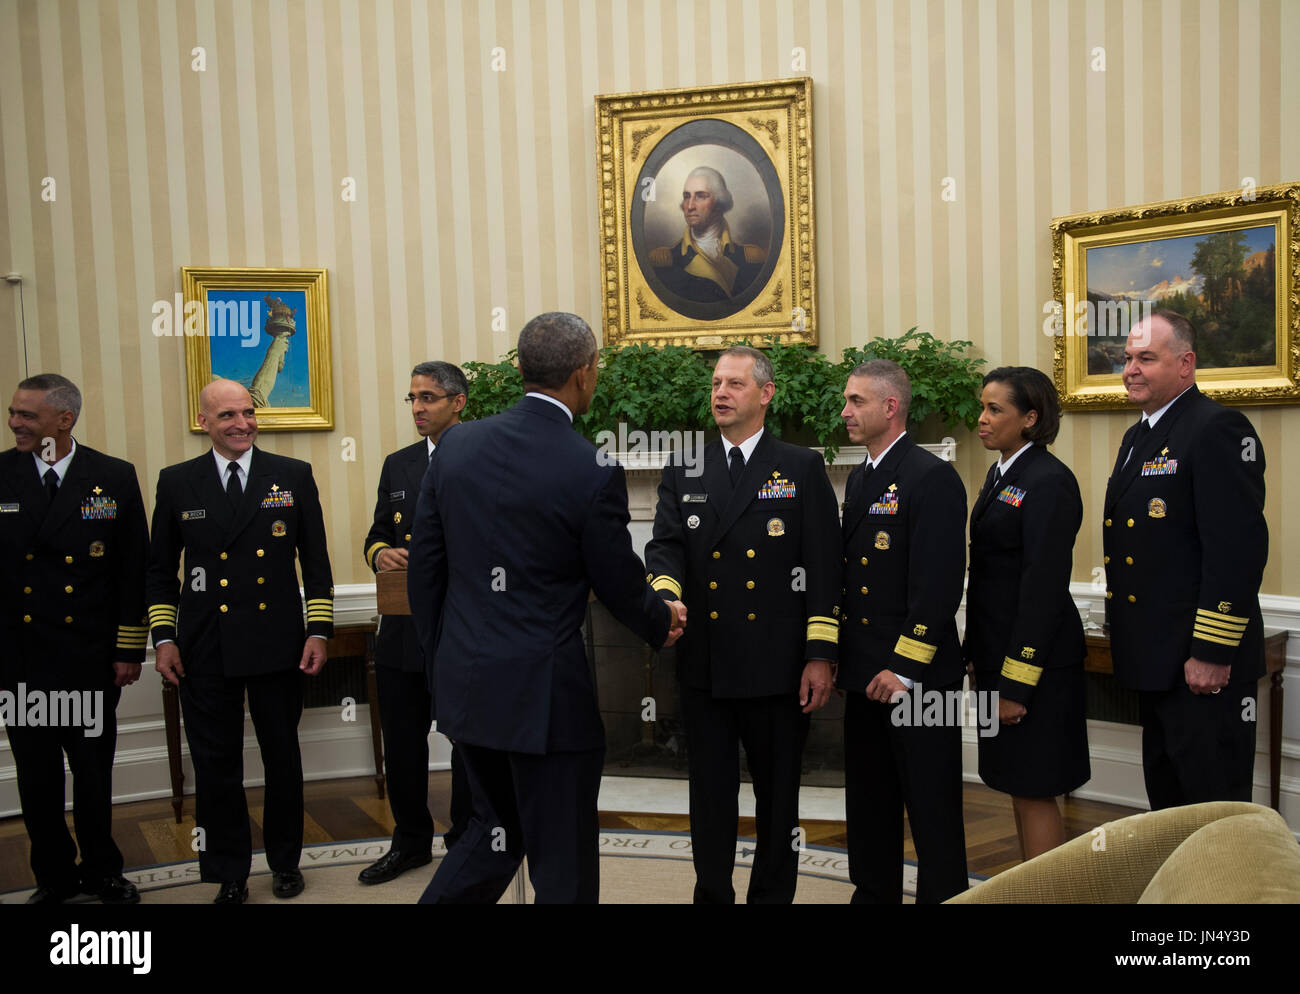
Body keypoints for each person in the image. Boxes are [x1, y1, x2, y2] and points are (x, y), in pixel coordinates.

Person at [407, 312, 685, 904]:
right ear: (584, 374)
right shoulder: (589, 467)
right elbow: (616, 582)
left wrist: (444, 663)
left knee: (493, 832)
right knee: (563, 858)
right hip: (546, 703)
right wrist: (662, 621)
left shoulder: (454, 447)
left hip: (468, 686)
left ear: (519, 370)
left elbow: (426, 573)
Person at [644, 345, 842, 904]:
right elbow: (664, 547)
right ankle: (712, 893)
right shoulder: (685, 466)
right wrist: (666, 594)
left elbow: (824, 568)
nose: (721, 394)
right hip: (706, 660)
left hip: (779, 665)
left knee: (779, 797)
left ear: (765, 393)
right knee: (709, 793)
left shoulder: (800, 465)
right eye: (715, 384)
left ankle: (772, 897)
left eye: (733, 383)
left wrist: (820, 654)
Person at [147, 378, 334, 904]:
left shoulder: (291, 476)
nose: (241, 424)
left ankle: (284, 862)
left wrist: (317, 628)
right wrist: (164, 637)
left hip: (278, 642)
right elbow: (161, 572)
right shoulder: (178, 482)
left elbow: (316, 566)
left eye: (248, 413)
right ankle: (229, 868)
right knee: (216, 763)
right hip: (205, 647)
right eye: (227, 415)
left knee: (282, 756)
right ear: (203, 421)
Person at [1104, 310, 1267, 809]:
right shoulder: (1139, 436)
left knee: (1212, 813)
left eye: (1146, 358)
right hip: (1157, 659)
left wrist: (1213, 652)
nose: (1131, 368)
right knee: (1170, 807)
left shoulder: (1216, 427)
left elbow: (1235, 549)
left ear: (1185, 364)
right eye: (1128, 358)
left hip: (1199, 663)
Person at [1, 374, 147, 904]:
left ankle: (104, 871)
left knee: (92, 778)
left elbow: (134, 571)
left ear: (64, 420)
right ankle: (55, 877)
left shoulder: (111, 476)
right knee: (37, 781)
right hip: (20, 661)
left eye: (27, 415)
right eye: (13, 413)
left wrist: (129, 648)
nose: (15, 422)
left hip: (87, 657)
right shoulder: (1, 474)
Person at [837, 359, 968, 903]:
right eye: (846, 401)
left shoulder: (930, 476)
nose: (845, 412)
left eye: (857, 401)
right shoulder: (862, 476)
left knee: (932, 808)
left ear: (891, 407)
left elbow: (938, 589)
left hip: (917, 678)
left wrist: (905, 669)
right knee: (870, 803)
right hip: (865, 671)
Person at [964, 366, 1090, 860]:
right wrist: (978, 658)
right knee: (1016, 782)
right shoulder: (1003, 474)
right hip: (998, 658)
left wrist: (1016, 684)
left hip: (1035, 666)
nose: (983, 418)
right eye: (983, 406)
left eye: (996, 409)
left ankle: (1049, 895)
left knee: (1036, 787)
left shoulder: (1048, 480)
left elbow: (1041, 588)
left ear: (1031, 418)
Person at [358, 360, 473, 885]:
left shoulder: (481, 457)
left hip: (462, 633)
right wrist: (380, 552)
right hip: (403, 633)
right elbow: (375, 534)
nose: (418, 408)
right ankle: (409, 842)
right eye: (412, 398)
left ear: (458, 402)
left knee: (469, 744)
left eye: (428, 397)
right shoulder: (397, 464)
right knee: (403, 744)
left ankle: (470, 838)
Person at [650, 166, 767, 303]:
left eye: (700, 196)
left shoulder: (751, 258)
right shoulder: (664, 262)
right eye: (687, 196)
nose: (690, 206)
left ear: (719, 203)